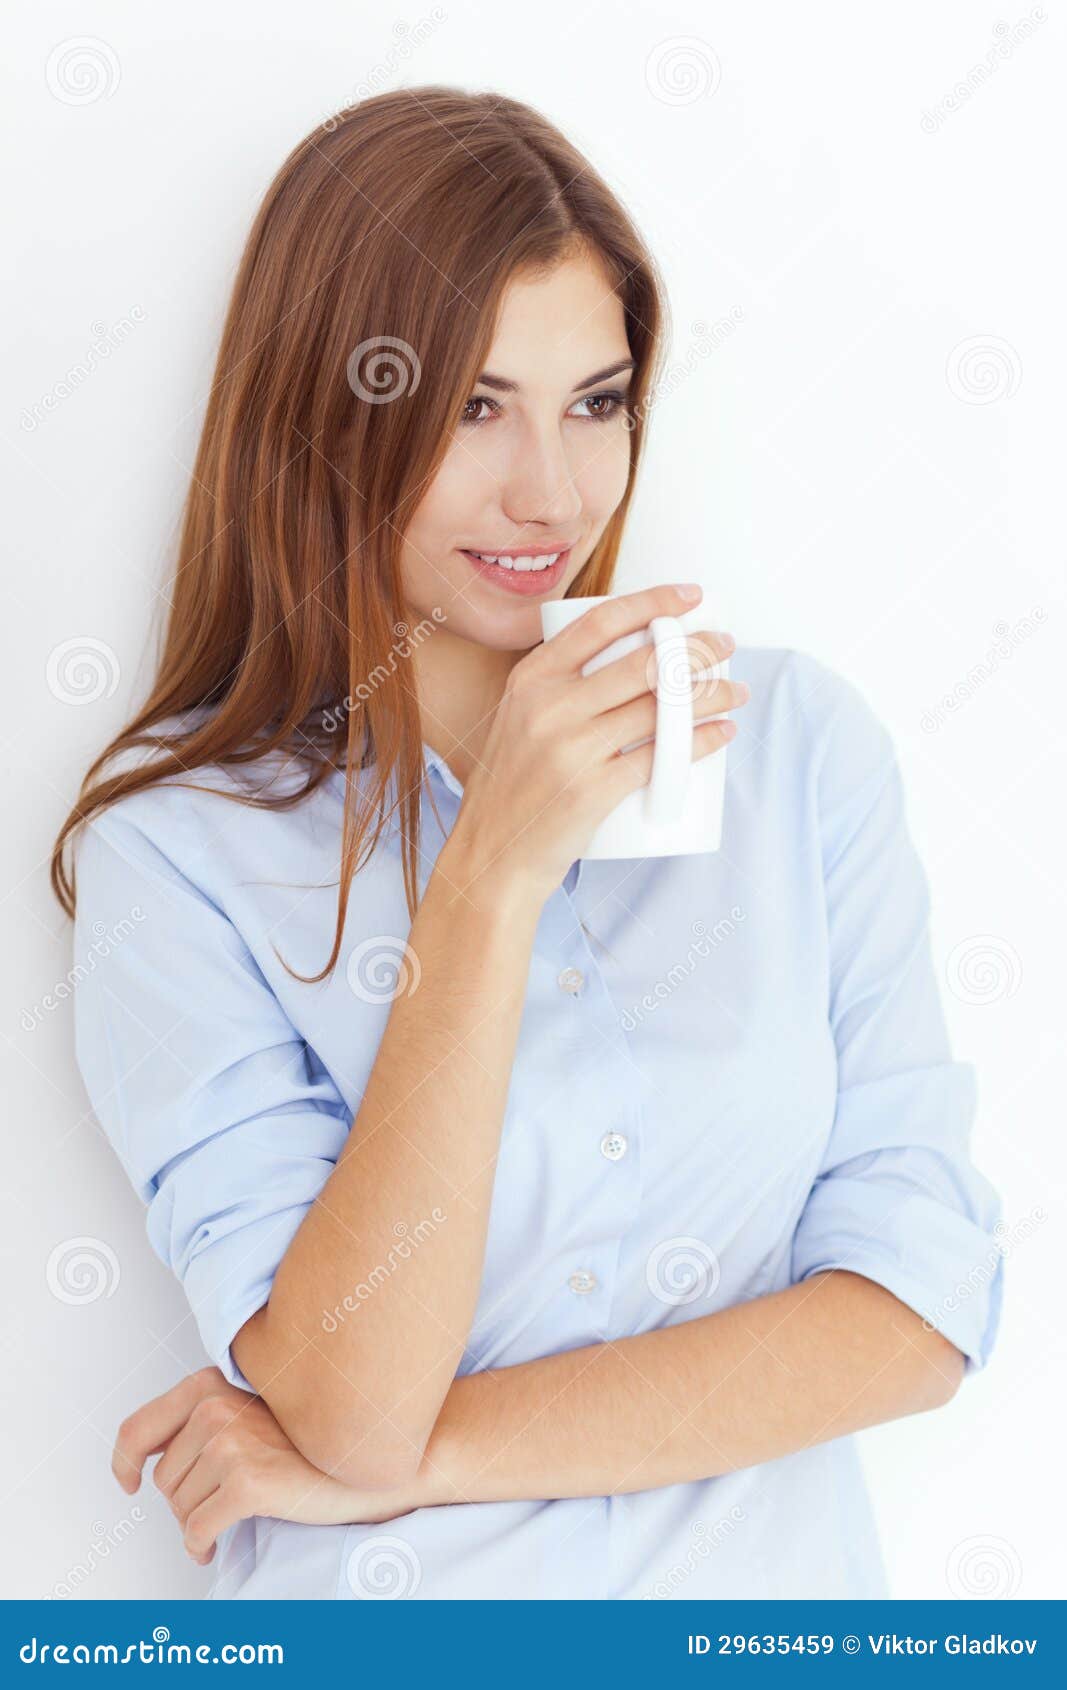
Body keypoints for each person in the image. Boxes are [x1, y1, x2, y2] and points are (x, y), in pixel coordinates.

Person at [54, 87, 1002, 1601]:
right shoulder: (178, 856)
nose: (551, 493)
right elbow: (352, 1396)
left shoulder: (797, 754)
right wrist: (490, 880)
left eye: (597, 400)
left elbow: (914, 1311)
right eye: (475, 405)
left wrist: (434, 1452)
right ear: (325, 409)